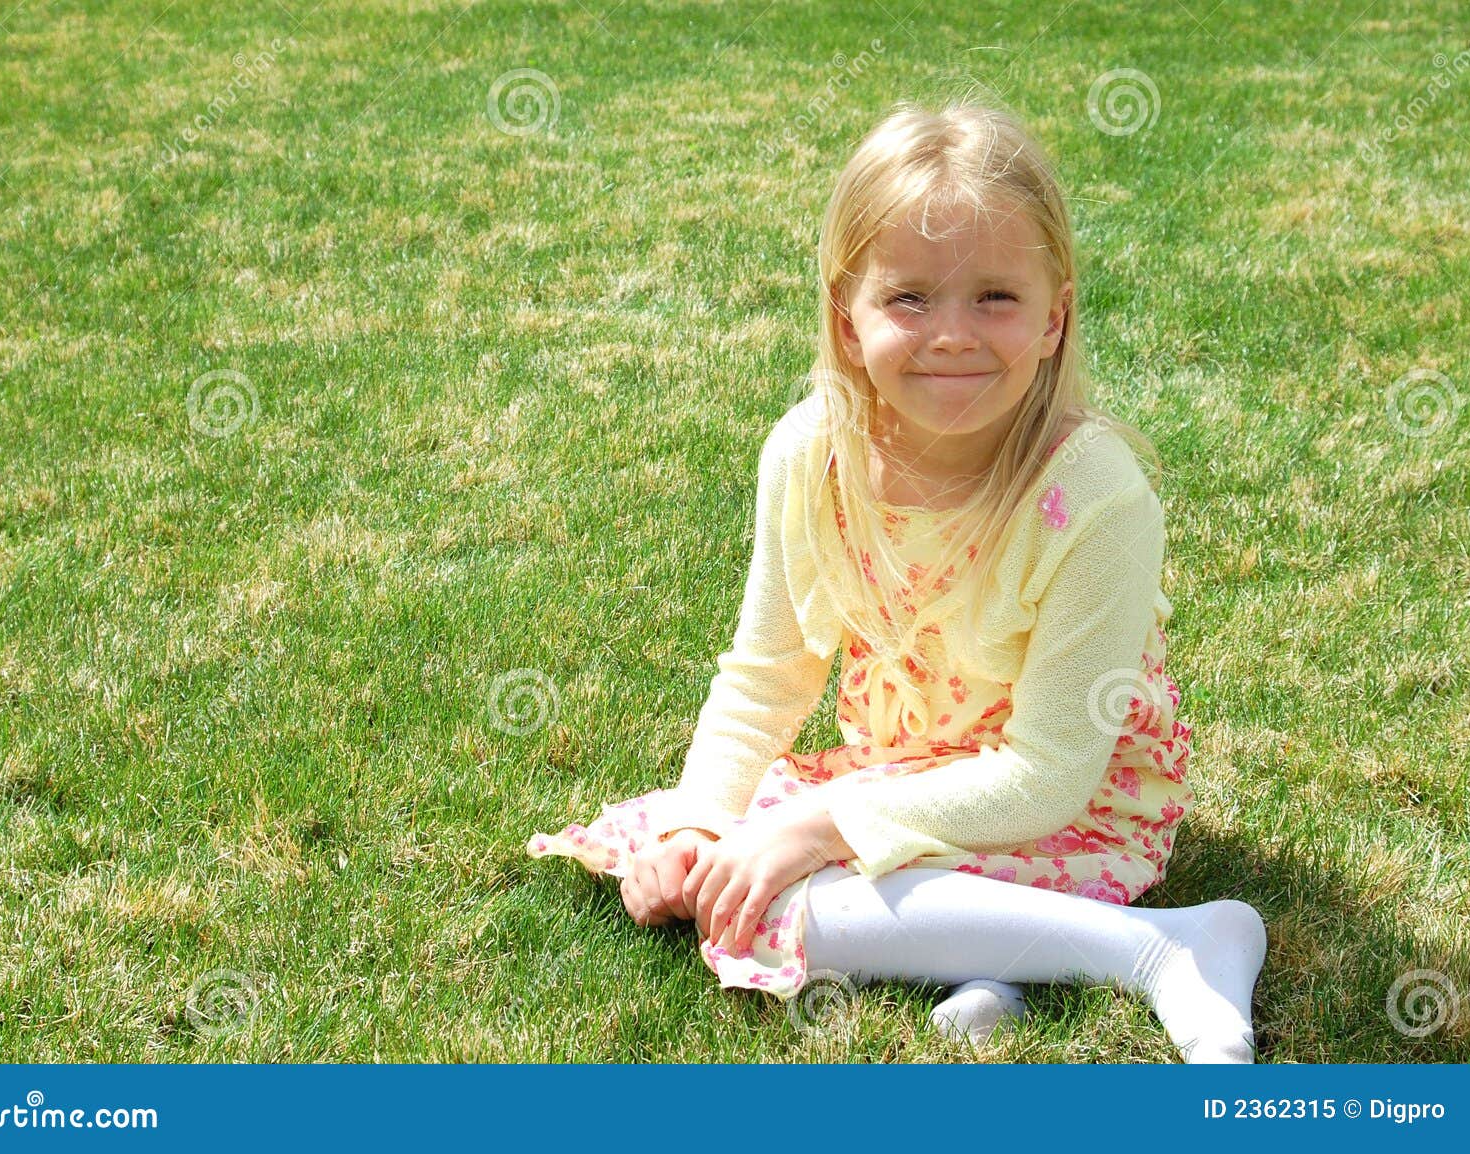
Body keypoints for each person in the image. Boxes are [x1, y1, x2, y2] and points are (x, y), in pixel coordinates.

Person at [526, 95, 1267, 1063]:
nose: (952, 334)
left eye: (994, 297)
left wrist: (819, 827)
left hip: (1065, 799)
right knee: (711, 864)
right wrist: (699, 820)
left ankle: (1172, 947)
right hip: (909, 772)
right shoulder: (809, 455)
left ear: (1055, 317)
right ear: (847, 321)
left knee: (784, 897)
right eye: (909, 298)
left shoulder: (1093, 493)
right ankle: (998, 964)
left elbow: (1047, 772)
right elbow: (766, 673)